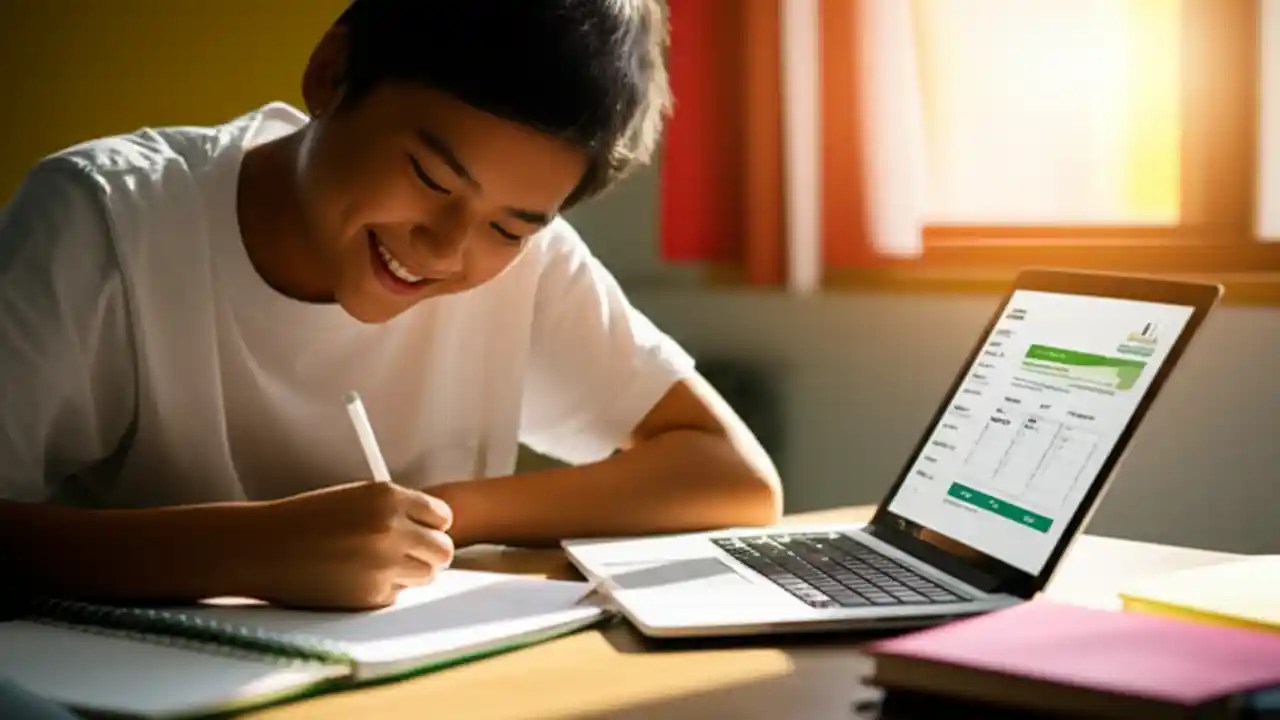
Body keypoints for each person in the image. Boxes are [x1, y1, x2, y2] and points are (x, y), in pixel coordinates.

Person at [0, 0, 781, 610]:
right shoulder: (106, 220)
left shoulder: (525, 267)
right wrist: (251, 550)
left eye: (509, 226)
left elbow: (733, 478)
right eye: (433, 180)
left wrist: (434, 517)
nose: (443, 248)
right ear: (330, 73)